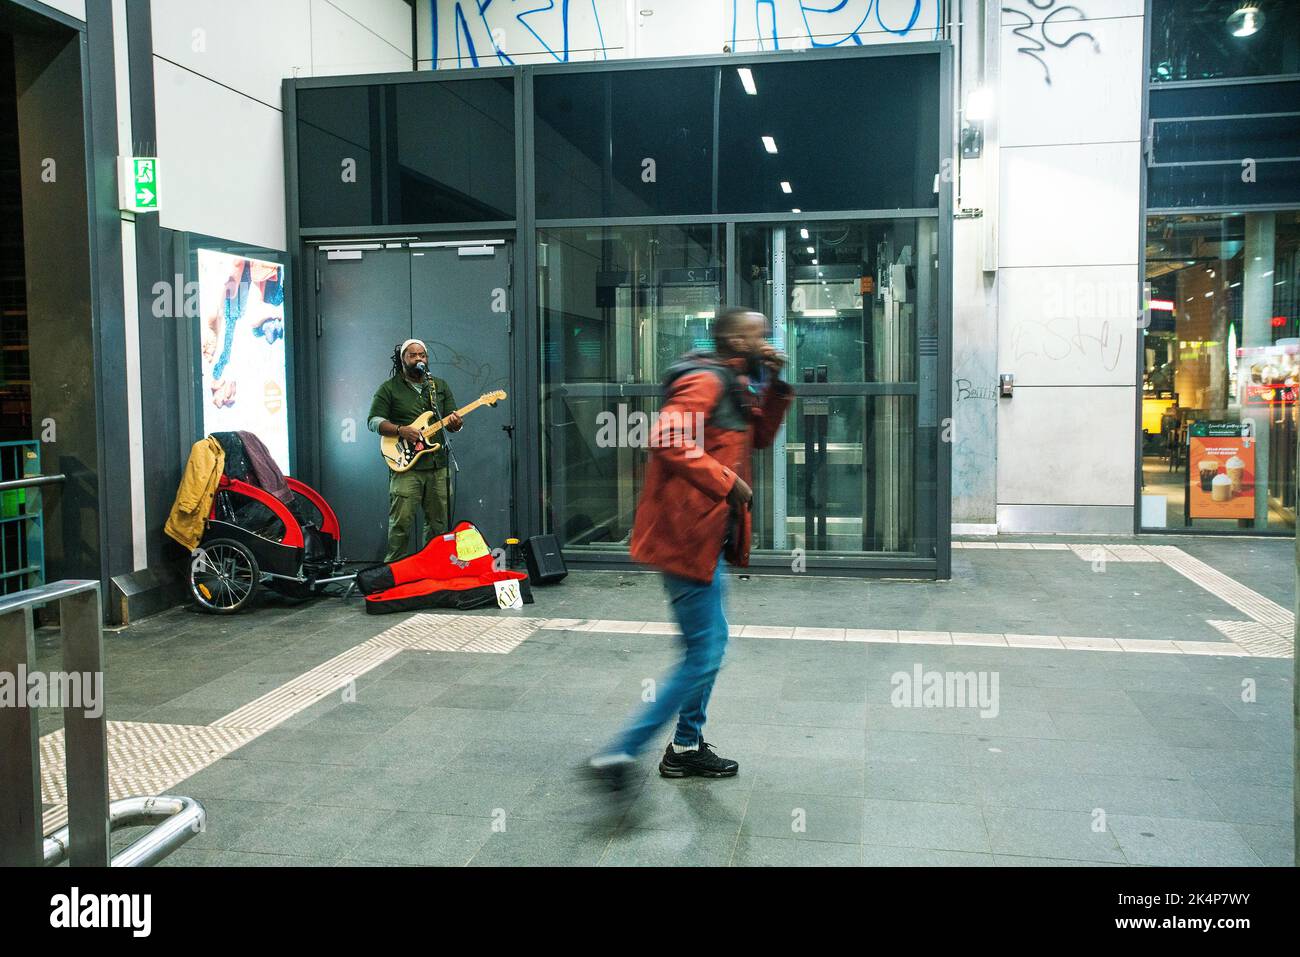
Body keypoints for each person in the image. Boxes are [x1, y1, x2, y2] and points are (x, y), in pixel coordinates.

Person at [587, 307, 794, 790]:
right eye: (759, 336)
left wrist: (777, 385)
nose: (768, 343)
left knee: (708, 645)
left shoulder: (736, 381)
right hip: (686, 537)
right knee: (704, 652)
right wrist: (728, 483)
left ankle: (685, 747)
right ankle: (620, 752)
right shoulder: (705, 380)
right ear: (738, 343)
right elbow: (668, 438)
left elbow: (759, 437)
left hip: (705, 537)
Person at [367, 339, 464, 561]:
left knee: (438, 525)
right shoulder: (389, 388)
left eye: (423, 355)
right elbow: (373, 421)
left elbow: (452, 419)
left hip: (437, 465)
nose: (419, 359)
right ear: (403, 359)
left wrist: (456, 424)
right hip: (406, 467)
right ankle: (394, 573)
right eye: (413, 355)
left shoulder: (439, 386)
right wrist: (401, 430)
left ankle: (434, 568)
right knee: (401, 524)